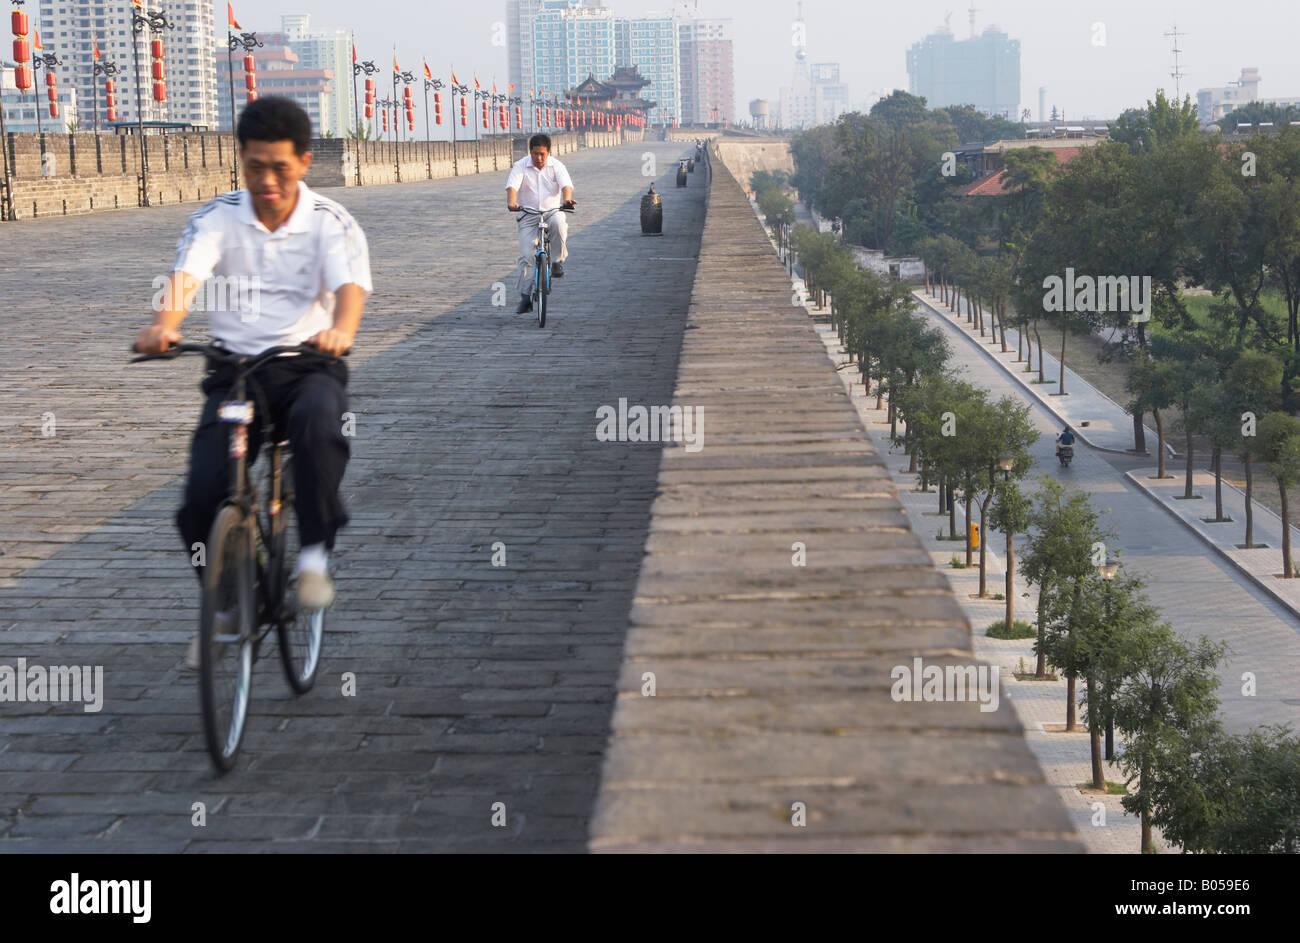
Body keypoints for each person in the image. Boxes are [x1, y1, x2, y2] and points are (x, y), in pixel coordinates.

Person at [133, 96, 372, 669]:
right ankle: (229, 599)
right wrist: (164, 325)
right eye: (254, 167)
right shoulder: (217, 216)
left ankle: (313, 555)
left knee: (317, 428)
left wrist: (340, 330)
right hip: (235, 371)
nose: (266, 181)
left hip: (308, 361)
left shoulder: (329, 222)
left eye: (279, 168)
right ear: (240, 161)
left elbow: (348, 290)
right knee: (198, 497)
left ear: (305, 162)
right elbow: (187, 275)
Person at [505, 134, 576, 314]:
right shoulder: (521, 165)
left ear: (548, 152)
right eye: (536, 154)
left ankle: (557, 262)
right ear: (530, 152)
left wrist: (567, 199)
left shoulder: (557, 166)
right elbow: (512, 187)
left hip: (551, 211)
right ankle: (525, 297)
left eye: (543, 154)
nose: (539, 158)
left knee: (559, 222)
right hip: (528, 215)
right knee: (527, 256)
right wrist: (512, 203)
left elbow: (566, 186)